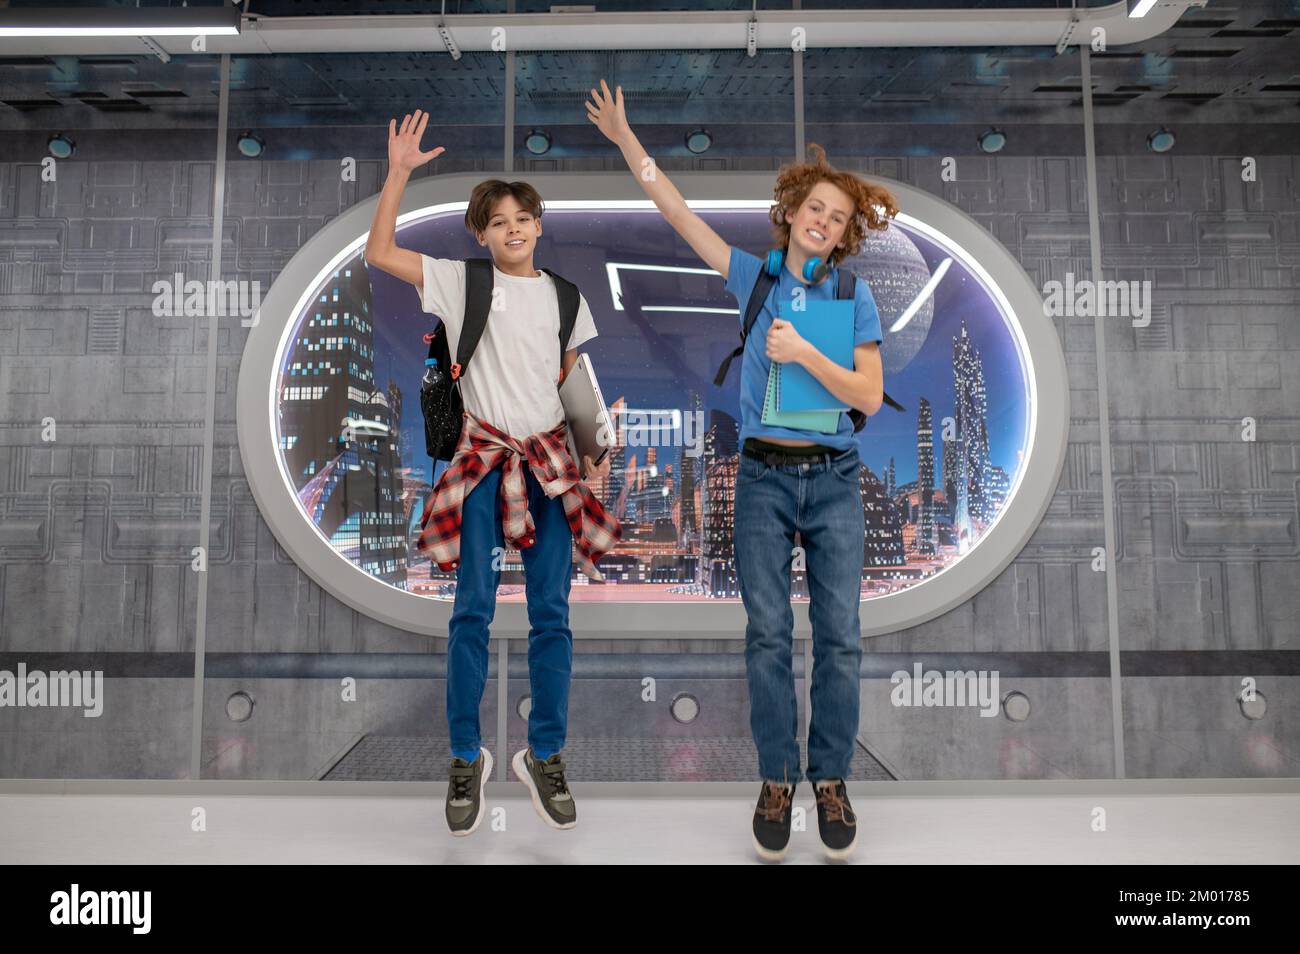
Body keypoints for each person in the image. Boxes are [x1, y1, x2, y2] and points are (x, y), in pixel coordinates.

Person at [587, 80, 895, 861]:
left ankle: (830, 779)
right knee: (766, 635)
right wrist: (629, 144)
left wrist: (805, 355)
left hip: (833, 478)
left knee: (842, 639)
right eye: (814, 208)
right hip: (759, 477)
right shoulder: (751, 278)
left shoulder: (855, 296)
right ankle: (776, 778)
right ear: (790, 211)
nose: (824, 222)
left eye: (839, 217)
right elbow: (678, 214)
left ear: (845, 234)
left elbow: (868, 393)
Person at [365, 109, 620, 837]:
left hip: (546, 465)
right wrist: (400, 173)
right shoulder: (457, 281)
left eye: (523, 217)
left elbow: (573, 382)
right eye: (497, 220)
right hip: (480, 461)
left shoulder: (567, 297)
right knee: (470, 612)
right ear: (479, 232)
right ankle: (462, 756)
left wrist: (596, 450)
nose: (513, 228)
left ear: (539, 223)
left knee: (553, 619)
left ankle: (545, 755)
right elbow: (380, 250)